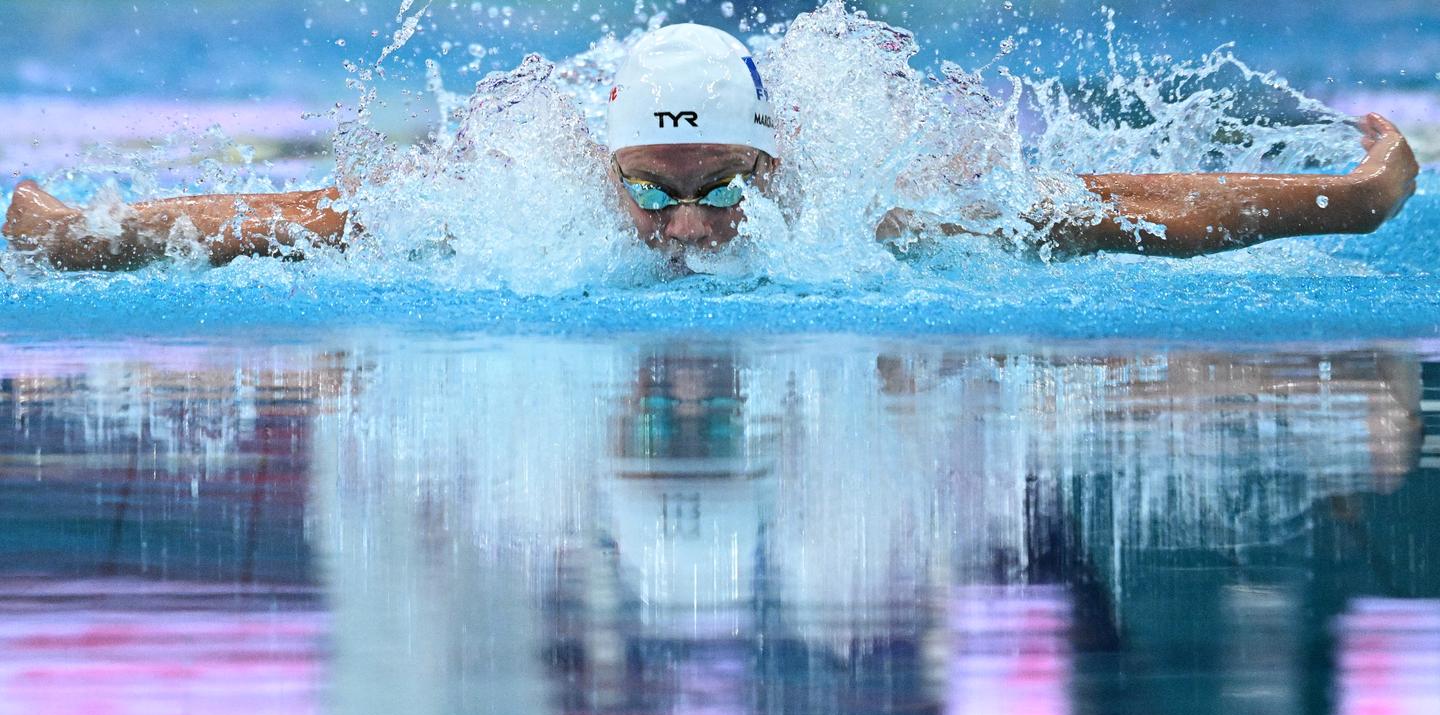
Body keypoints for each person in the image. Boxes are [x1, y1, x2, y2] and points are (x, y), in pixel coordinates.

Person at [1, 24, 1421, 271]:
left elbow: (1127, 207)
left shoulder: (865, 219)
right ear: (600, 167)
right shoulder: (510, 214)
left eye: (723, 189)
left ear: (778, 165)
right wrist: (76, 234)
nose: (689, 230)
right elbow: (272, 218)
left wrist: (1338, 206)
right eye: (656, 194)